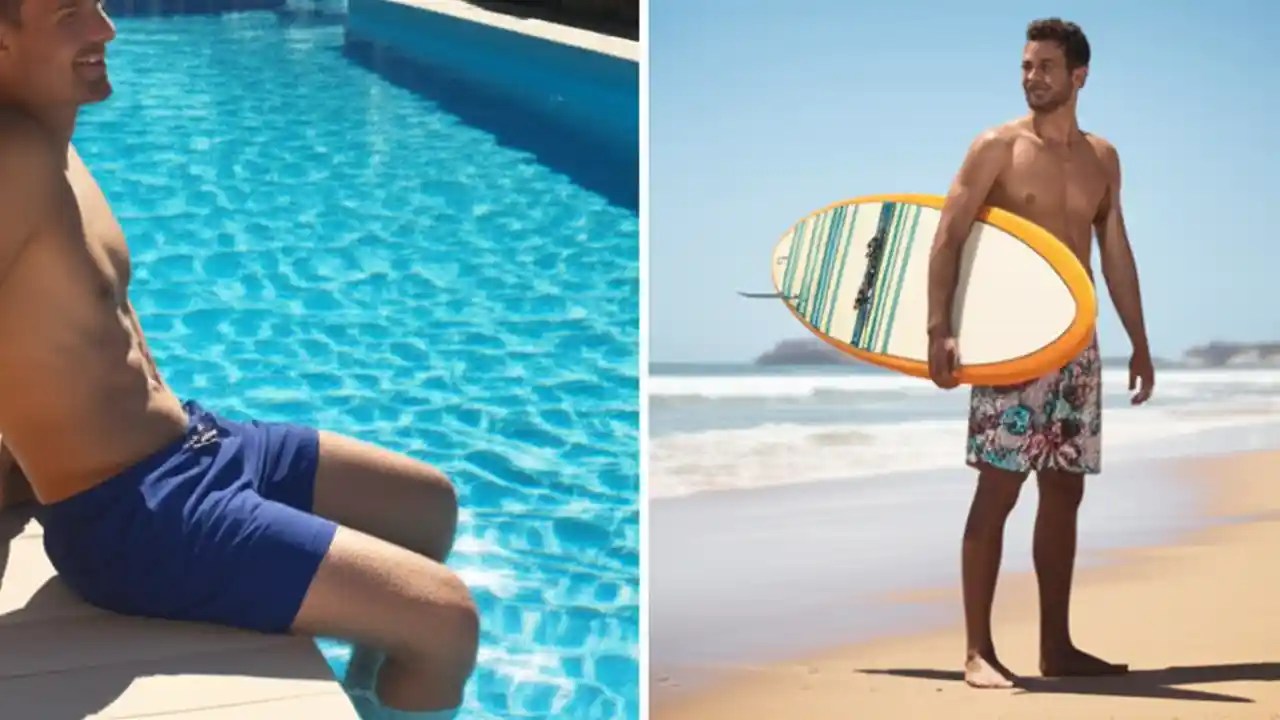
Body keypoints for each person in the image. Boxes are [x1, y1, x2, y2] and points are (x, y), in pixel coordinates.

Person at [0, 0, 478, 717]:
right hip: (131, 519)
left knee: (425, 508)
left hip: (198, 445)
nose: (106, 29)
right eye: (72, 13)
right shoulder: (8, 162)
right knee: (446, 620)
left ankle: (373, 698)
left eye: (98, 5)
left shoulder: (57, 146)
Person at [925, 17, 1154, 689]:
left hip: (1076, 346)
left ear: (1079, 76)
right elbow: (946, 237)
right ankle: (977, 651)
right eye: (1026, 66)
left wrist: (1138, 339)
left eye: (1046, 67)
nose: (1032, 77)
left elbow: (1114, 252)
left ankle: (1057, 646)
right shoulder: (996, 147)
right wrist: (939, 329)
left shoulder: (1102, 159)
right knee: (998, 486)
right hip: (1012, 341)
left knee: (1065, 490)